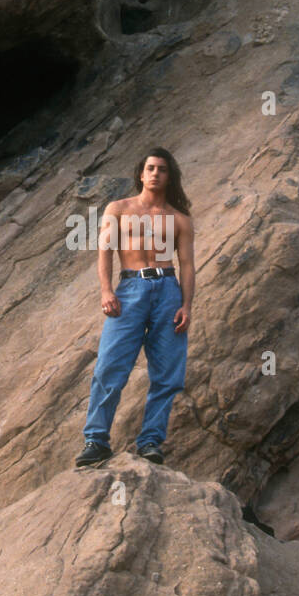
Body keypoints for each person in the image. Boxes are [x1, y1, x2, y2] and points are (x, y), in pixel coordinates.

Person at [76, 148, 194, 467]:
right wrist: (106, 290)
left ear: (170, 176)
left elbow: (186, 265)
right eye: (150, 168)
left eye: (162, 169)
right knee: (110, 366)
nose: (155, 173)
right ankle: (96, 440)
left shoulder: (179, 218)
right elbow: (104, 252)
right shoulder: (119, 209)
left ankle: (151, 442)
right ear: (141, 174)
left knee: (168, 373)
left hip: (168, 289)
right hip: (129, 289)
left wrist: (186, 304)